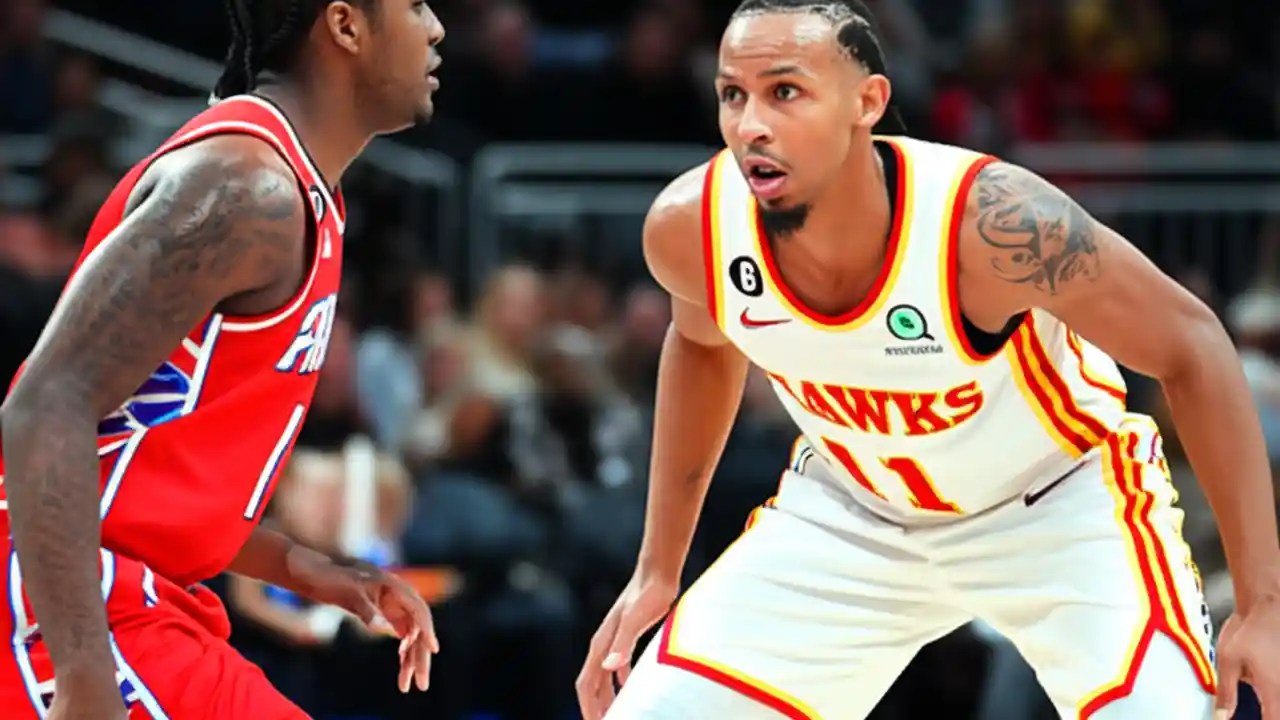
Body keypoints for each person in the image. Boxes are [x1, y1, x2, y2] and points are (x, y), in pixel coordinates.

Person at [577, 2, 1280, 719]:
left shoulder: (993, 224)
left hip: (1057, 506)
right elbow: (701, 342)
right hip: (852, 511)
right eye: (733, 94)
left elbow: (1192, 344)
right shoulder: (690, 226)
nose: (751, 123)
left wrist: (1262, 603)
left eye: (785, 92)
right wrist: (657, 569)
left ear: (868, 103)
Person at [0, 1, 446, 718]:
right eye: (415, 5)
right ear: (345, 25)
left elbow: (140, 471)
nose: (436, 28)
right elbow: (42, 406)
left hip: (134, 599)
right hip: (70, 611)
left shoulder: (300, 192)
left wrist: (307, 568)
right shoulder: (244, 189)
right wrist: (85, 680)